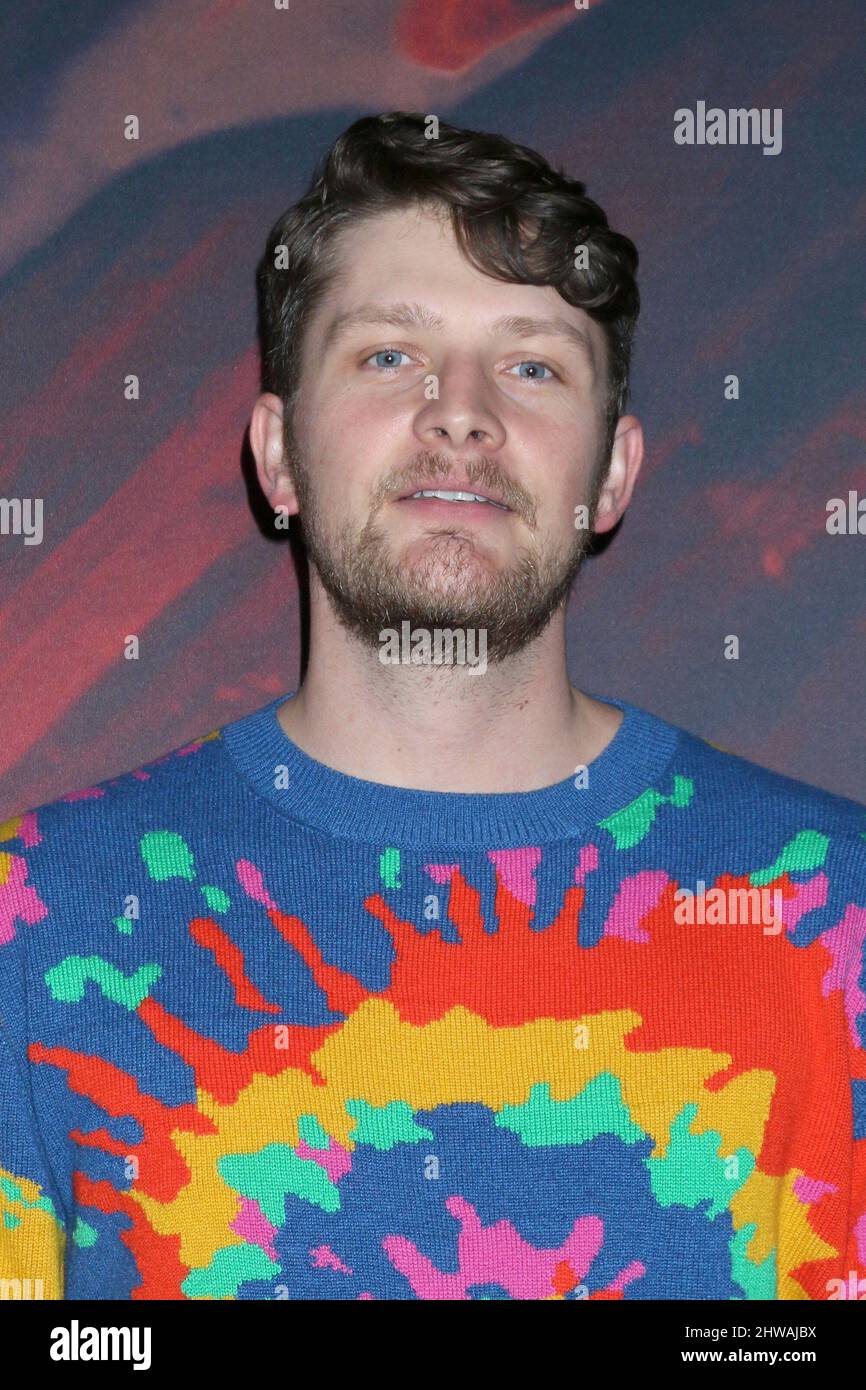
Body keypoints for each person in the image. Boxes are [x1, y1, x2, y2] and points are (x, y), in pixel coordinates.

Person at [1, 112, 864, 1302]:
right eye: (387, 355)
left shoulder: (833, 917)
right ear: (278, 455)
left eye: (530, 364)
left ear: (610, 473)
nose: (459, 412)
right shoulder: (38, 920)